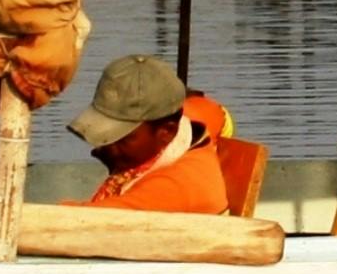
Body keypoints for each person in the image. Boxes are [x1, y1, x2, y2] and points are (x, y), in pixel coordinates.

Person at [68, 52, 234, 213]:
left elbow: (76, 221)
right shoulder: (188, 123)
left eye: (123, 138)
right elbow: (209, 110)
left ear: (166, 131)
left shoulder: (172, 188)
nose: (106, 145)